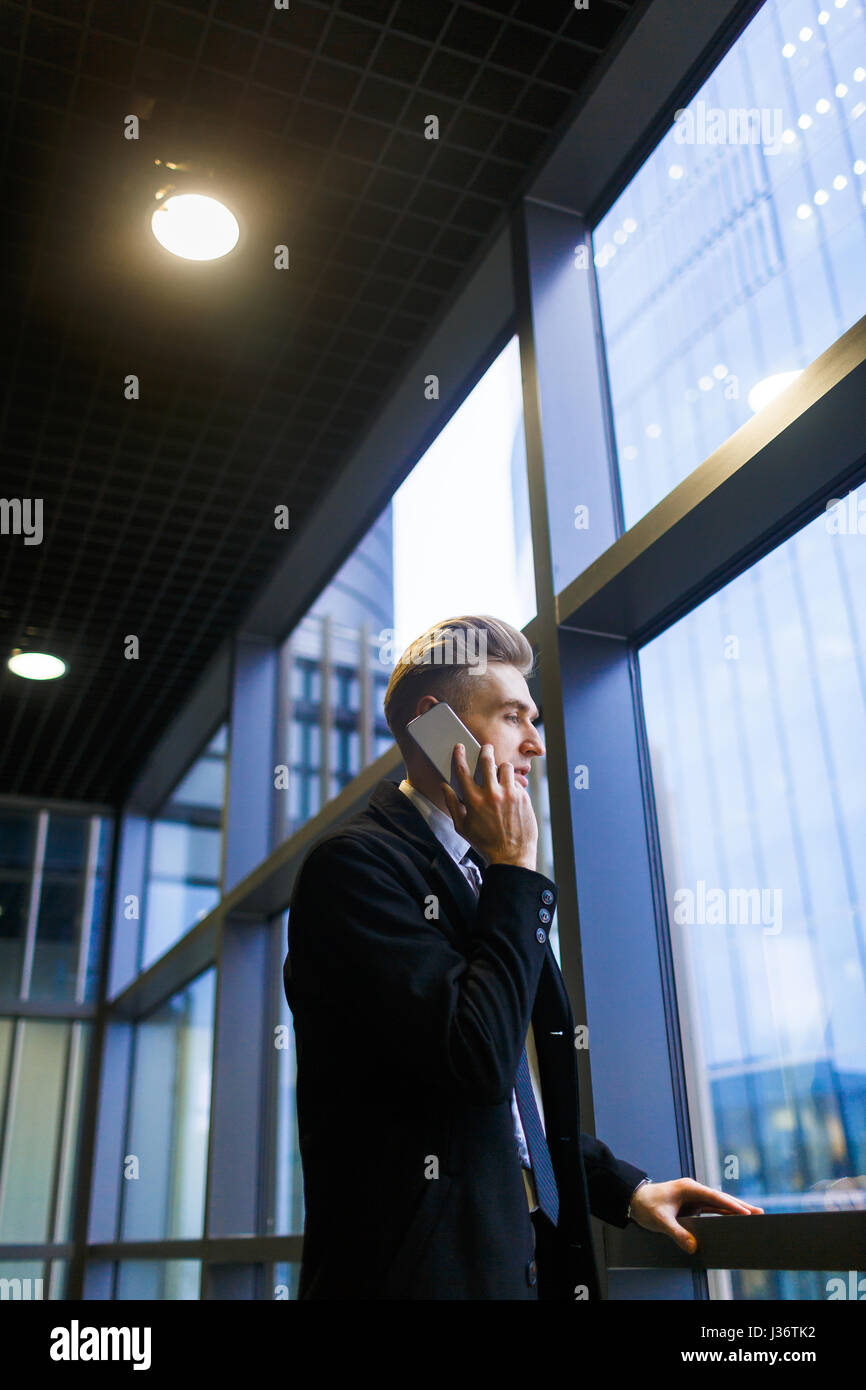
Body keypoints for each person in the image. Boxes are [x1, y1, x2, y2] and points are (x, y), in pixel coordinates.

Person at [283, 615, 762, 1299]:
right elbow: (471, 1059)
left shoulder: (480, 874)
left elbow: (514, 1097)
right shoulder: (356, 868)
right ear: (435, 723)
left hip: (525, 1261)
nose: (535, 744)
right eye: (513, 717)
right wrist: (513, 866)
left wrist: (625, 1190)